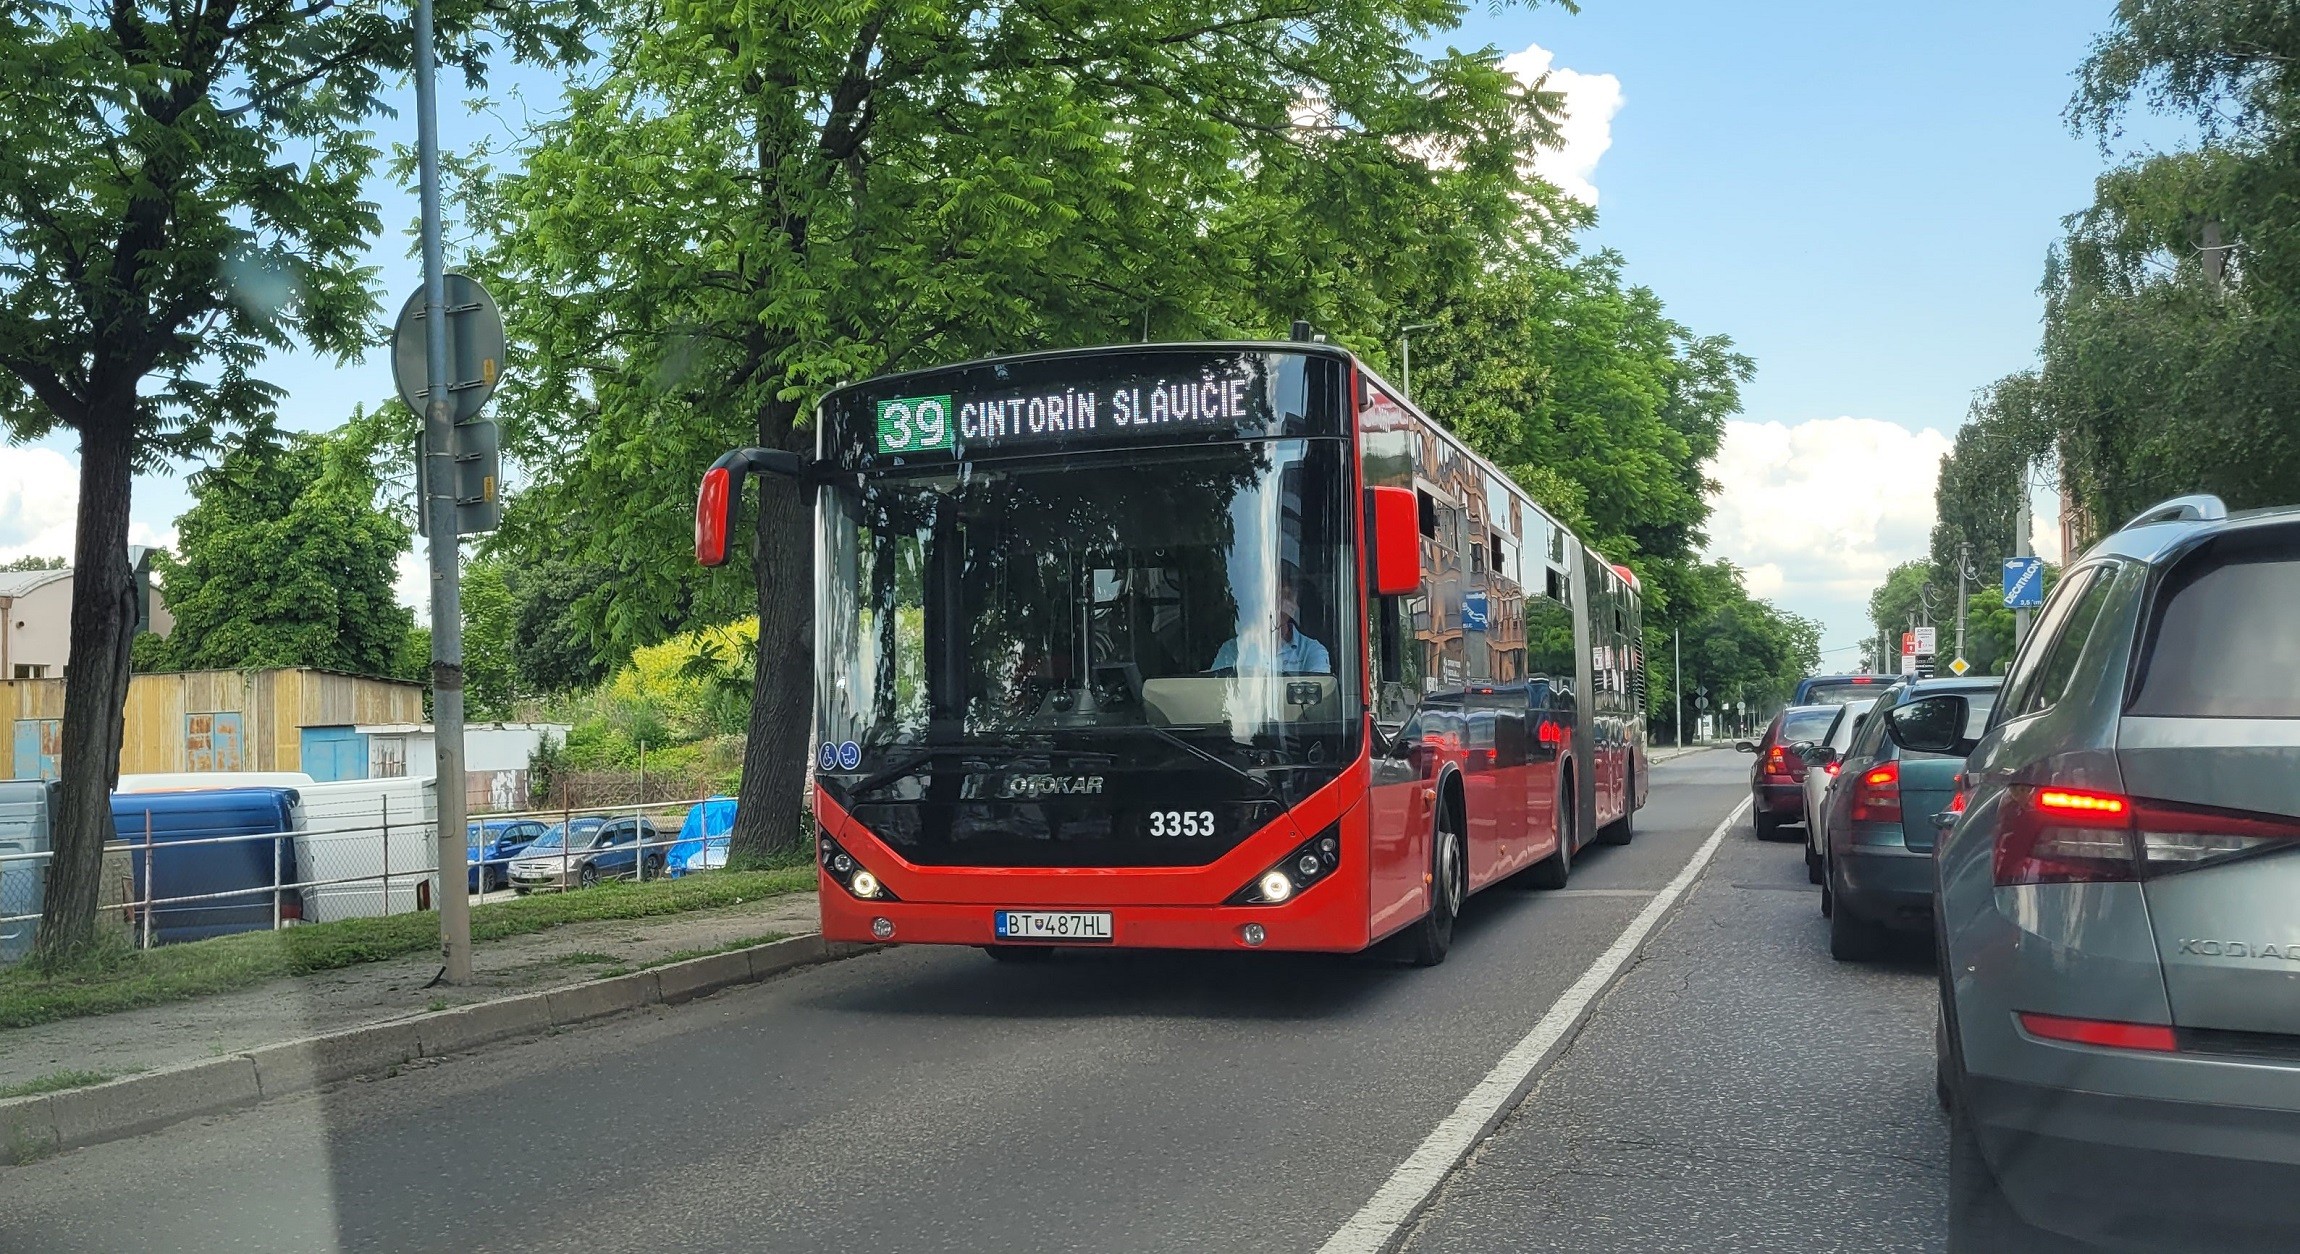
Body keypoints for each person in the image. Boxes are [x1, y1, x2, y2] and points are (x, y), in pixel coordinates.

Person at [1210, 576, 1331, 674]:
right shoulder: (1233, 650)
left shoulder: (1312, 651)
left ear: (1294, 606)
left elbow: (1319, 700)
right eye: (1271, 598)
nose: (1278, 605)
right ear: (1256, 602)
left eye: (1286, 597)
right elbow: (1216, 694)